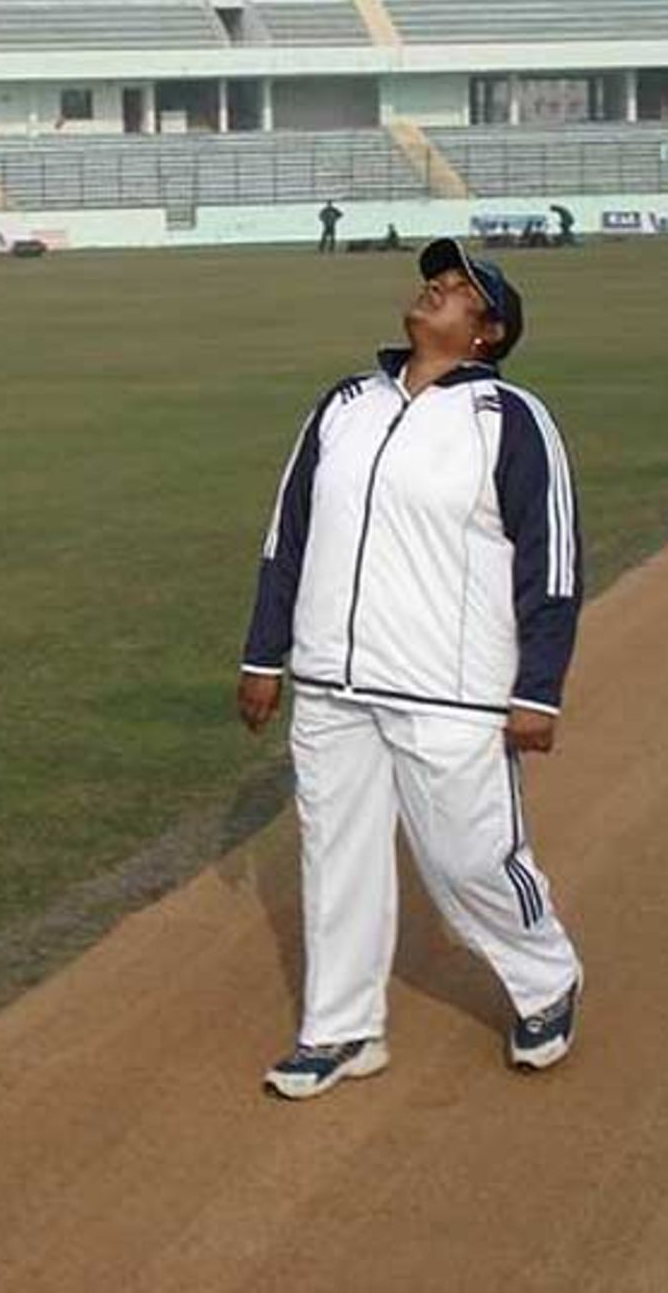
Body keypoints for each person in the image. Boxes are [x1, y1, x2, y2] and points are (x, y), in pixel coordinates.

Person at [237, 236, 583, 1101]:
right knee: (337, 856)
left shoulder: (511, 418)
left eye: (461, 287)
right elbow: (290, 535)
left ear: (488, 331)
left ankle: (546, 979)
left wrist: (536, 690)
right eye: (436, 278)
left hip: (451, 688)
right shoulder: (345, 404)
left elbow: (550, 563)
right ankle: (342, 1028)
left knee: (470, 858)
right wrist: (263, 655)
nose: (438, 287)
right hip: (331, 682)